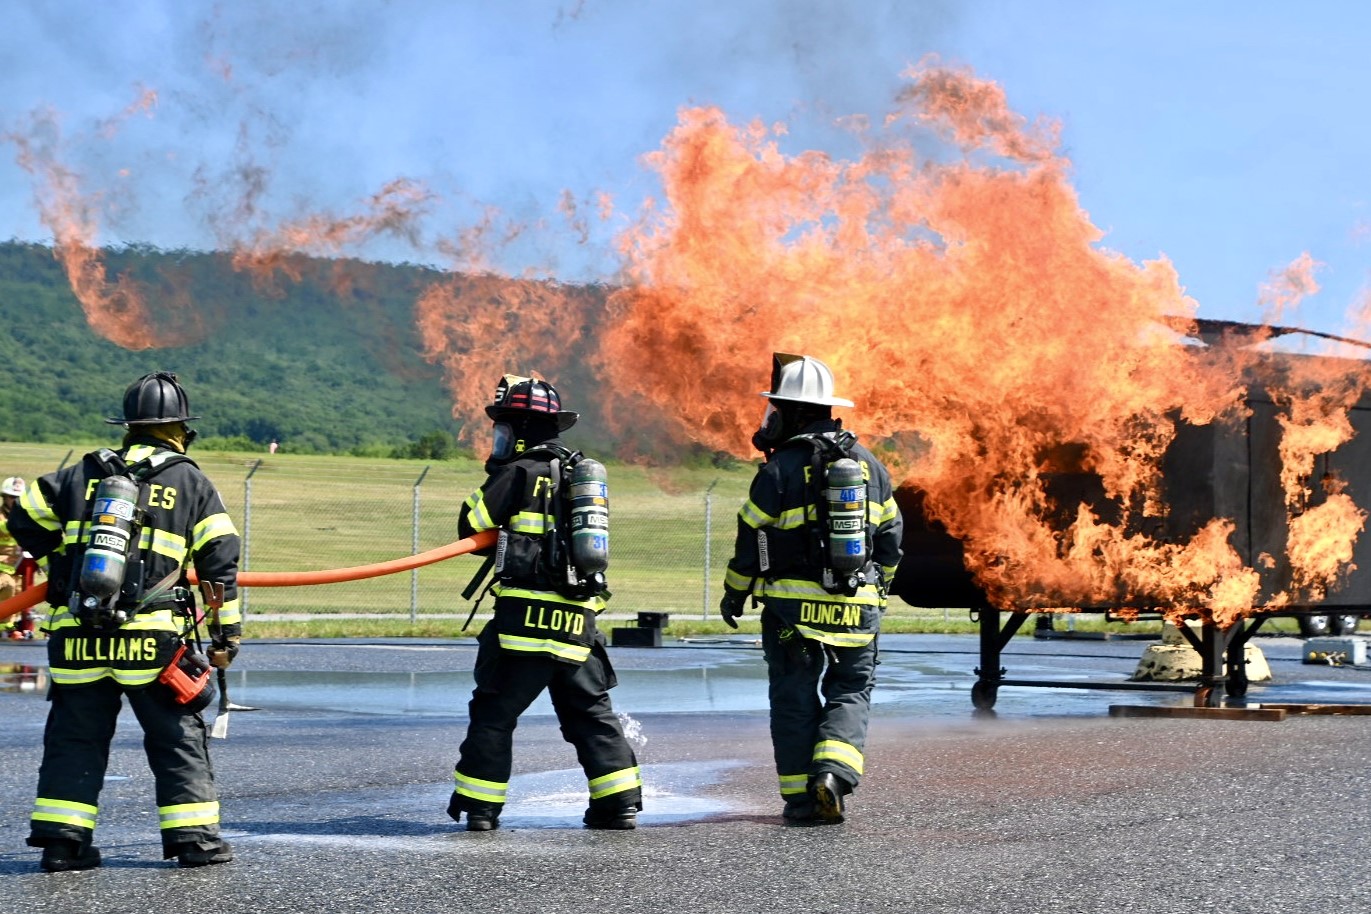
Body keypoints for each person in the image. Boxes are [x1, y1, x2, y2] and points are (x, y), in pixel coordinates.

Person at [7, 371, 243, 871]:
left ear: (129, 426)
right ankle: (194, 842)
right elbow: (220, 561)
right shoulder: (190, 482)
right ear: (178, 429)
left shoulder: (79, 473)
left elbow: (23, 516)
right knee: (177, 740)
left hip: (77, 638)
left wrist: (63, 564)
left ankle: (62, 845)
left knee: (74, 740)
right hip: (152, 641)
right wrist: (227, 634)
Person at [448, 373, 643, 831]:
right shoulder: (580, 475)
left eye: (503, 429)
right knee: (591, 715)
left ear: (519, 431)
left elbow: (471, 523)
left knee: (494, 714)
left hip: (524, 626)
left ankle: (481, 807)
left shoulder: (520, 471)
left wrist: (498, 476)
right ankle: (619, 804)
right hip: (578, 624)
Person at [719, 353, 903, 826]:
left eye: (777, 409)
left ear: (795, 413)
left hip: (791, 614)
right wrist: (878, 591)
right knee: (851, 690)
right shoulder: (871, 466)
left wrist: (734, 592)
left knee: (793, 697)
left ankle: (801, 801)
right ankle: (833, 776)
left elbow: (749, 539)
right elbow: (891, 540)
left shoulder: (779, 470)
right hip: (856, 608)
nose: (771, 418)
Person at [1, 476, 30, 637]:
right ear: (4, 497)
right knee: (8, 585)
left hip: (18, 567)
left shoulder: (26, 517)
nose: (15, 501)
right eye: (12, 497)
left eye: (18, 498)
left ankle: (15, 625)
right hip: (2, 569)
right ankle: (4, 626)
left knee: (21, 591)